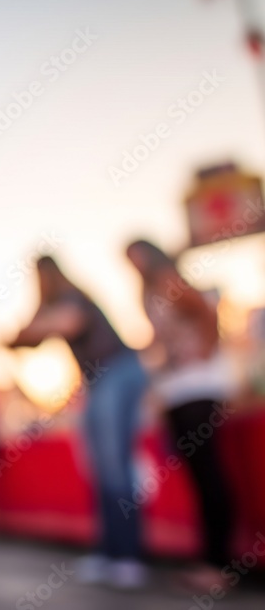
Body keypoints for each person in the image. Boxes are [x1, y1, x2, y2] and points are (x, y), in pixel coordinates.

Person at [10, 255, 148, 589]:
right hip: (98, 382)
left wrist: (29, 330)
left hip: (119, 371)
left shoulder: (71, 297)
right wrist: (22, 335)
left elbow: (65, 323)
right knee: (100, 469)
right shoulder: (52, 305)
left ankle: (129, 557)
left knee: (116, 467)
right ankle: (110, 553)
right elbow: (28, 337)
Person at [126, 239, 236, 590]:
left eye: (136, 255)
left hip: (197, 387)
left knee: (209, 475)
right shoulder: (149, 292)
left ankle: (219, 565)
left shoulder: (168, 280)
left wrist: (204, 348)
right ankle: (210, 561)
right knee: (198, 477)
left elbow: (205, 310)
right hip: (176, 391)